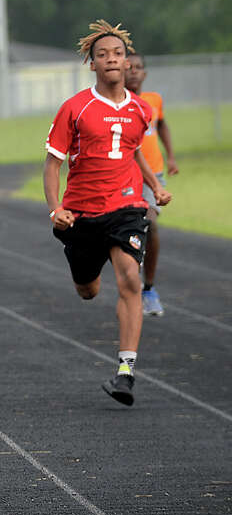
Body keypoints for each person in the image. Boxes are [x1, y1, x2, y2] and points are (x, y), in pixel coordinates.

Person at [43, 20, 170, 407]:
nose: (112, 60)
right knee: (88, 289)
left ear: (127, 61)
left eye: (118, 53)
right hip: (81, 212)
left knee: (130, 276)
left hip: (127, 206)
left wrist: (154, 187)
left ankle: (125, 371)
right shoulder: (75, 108)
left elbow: (132, 150)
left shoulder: (141, 110)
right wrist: (56, 209)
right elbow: (52, 165)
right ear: (92, 64)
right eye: (103, 55)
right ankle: (86, 273)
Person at [124, 51, 179, 316]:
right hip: (122, 174)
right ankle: (128, 281)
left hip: (152, 175)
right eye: (129, 67)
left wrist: (171, 157)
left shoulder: (153, 101)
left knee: (151, 224)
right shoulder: (118, 103)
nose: (134, 71)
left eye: (138, 67)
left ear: (145, 73)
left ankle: (149, 289)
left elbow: (163, 125)